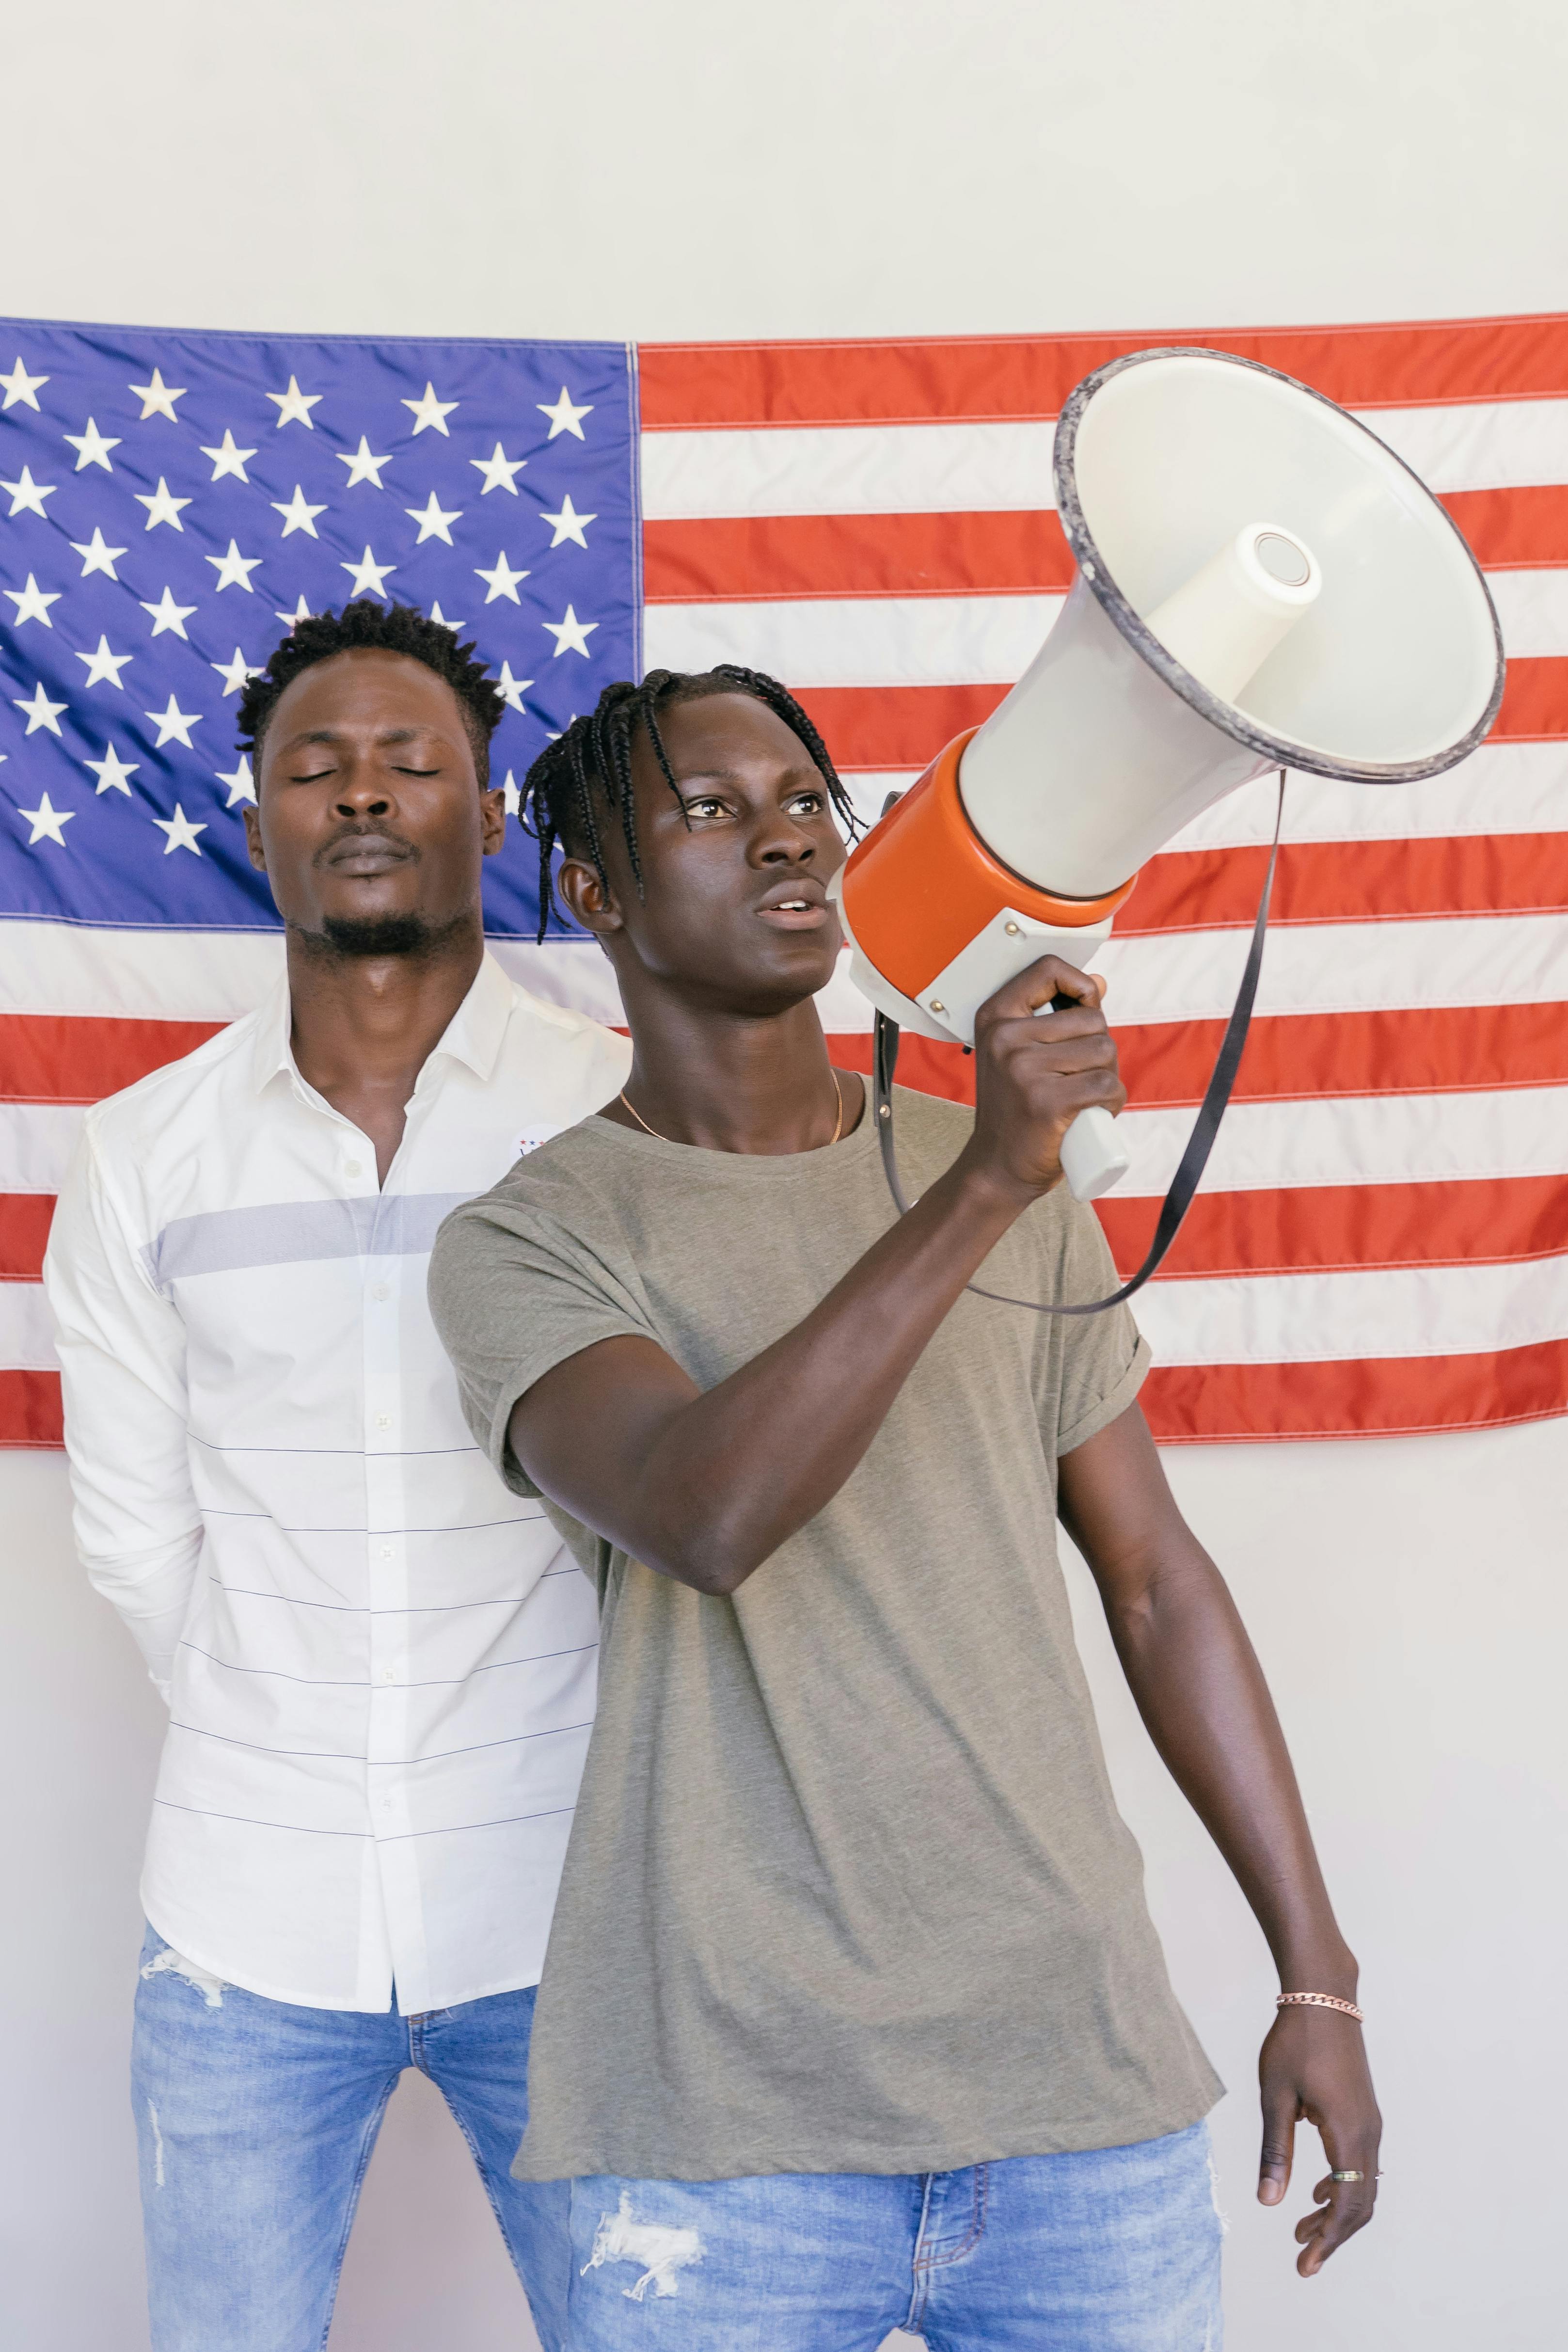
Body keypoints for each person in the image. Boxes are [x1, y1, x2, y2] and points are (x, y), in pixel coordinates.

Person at [428, 665, 1384, 2350]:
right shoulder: (531, 1234)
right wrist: (989, 1180)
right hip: (725, 2130)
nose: (785, 840)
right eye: (710, 812)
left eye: (807, 800)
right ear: (594, 893)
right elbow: (701, 1514)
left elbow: (1156, 1582)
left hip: (1076, 2090)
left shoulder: (987, 1175)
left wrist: (1317, 1969)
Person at [43, 602, 629, 2352]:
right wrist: (281, 1717)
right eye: (315, 765)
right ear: (257, 810)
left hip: (575, 1902)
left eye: (409, 760)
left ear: (490, 807)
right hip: (245, 1909)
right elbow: (139, 1534)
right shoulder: (147, 1152)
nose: (360, 795)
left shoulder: (612, 1114)